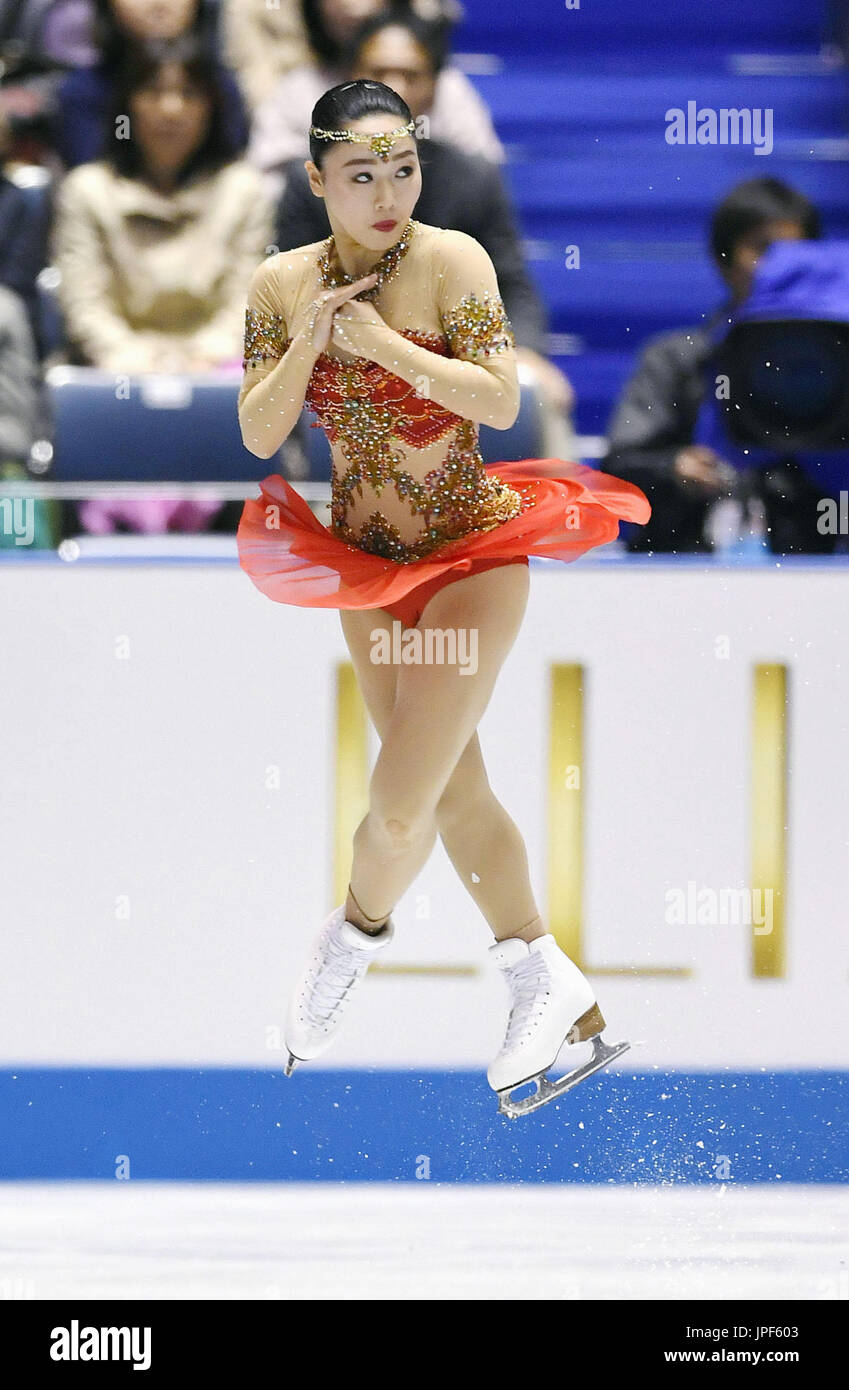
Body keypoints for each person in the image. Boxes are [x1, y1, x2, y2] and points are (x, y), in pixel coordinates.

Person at [236, 80, 649, 1117]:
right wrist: (309, 342)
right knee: (457, 796)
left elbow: (503, 398)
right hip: (369, 573)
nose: (388, 193)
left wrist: (383, 348)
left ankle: (351, 935)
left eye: (404, 168)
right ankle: (543, 976)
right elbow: (255, 430)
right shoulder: (280, 284)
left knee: (399, 804)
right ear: (317, 177)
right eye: (361, 175)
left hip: (474, 552)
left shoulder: (452, 258)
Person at [275, 8, 575, 454]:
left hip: (452, 358)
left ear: (434, 88)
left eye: (411, 74)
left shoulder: (474, 178)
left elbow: (511, 284)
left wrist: (524, 351)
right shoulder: (309, 183)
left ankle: (534, 522)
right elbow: (292, 296)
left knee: (539, 398)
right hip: (342, 361)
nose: (395, 87)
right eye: (379, 73)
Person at [51, 33, 273, 533]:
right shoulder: (87, 191)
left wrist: (203, 359)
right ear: (127, 105)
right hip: (117, 371)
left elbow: (249, 300)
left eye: (189, 94)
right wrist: (138, 364)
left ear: (211, 107)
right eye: (153, 92)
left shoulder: (244, 190)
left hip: (218, 369)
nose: (171, 109)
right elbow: (84, 304)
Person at [603, 177, 821, 553]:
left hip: (815, 566)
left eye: (795, 253)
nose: (780, 269)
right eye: (764, 250)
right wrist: (673, 467)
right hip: (680, 565)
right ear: (724, 260)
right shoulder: (672, 359)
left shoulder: (836, 366)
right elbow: (618, 467)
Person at [246, 0, 504, 206]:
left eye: (409, 75)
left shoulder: (448, 88)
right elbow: (269, 195)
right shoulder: (297, 90)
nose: (351, 5)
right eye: (377, 73)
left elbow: (483, 179)